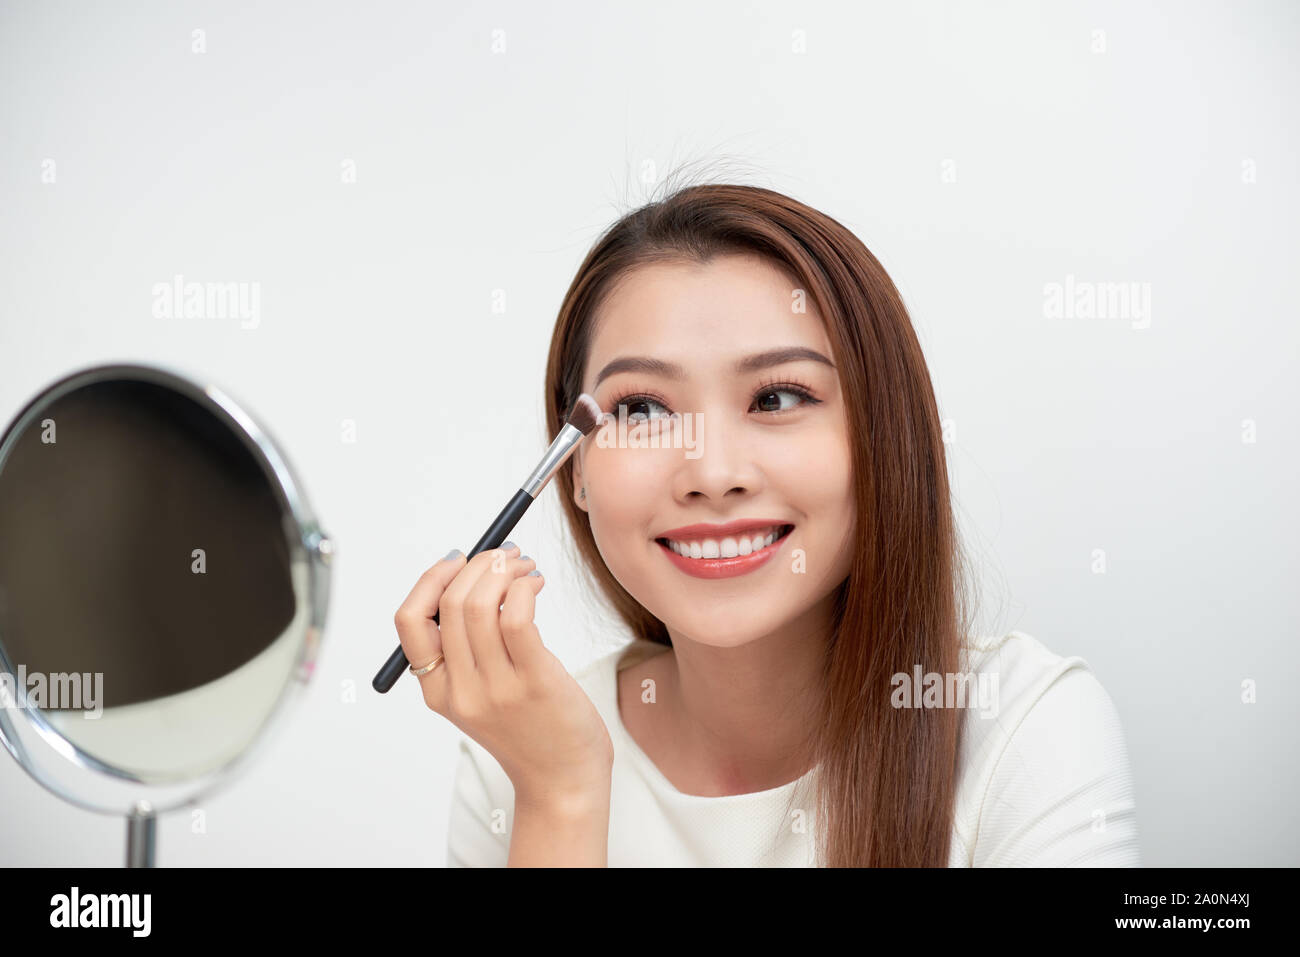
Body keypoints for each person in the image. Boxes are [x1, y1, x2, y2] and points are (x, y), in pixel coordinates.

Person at [394, 181, 1140, 867]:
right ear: (577, 468)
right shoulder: (520, 755)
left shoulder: (1024, 732)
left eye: (778, 398)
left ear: (884, 437)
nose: (713, 473)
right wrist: (561, 796)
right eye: (642, 410)